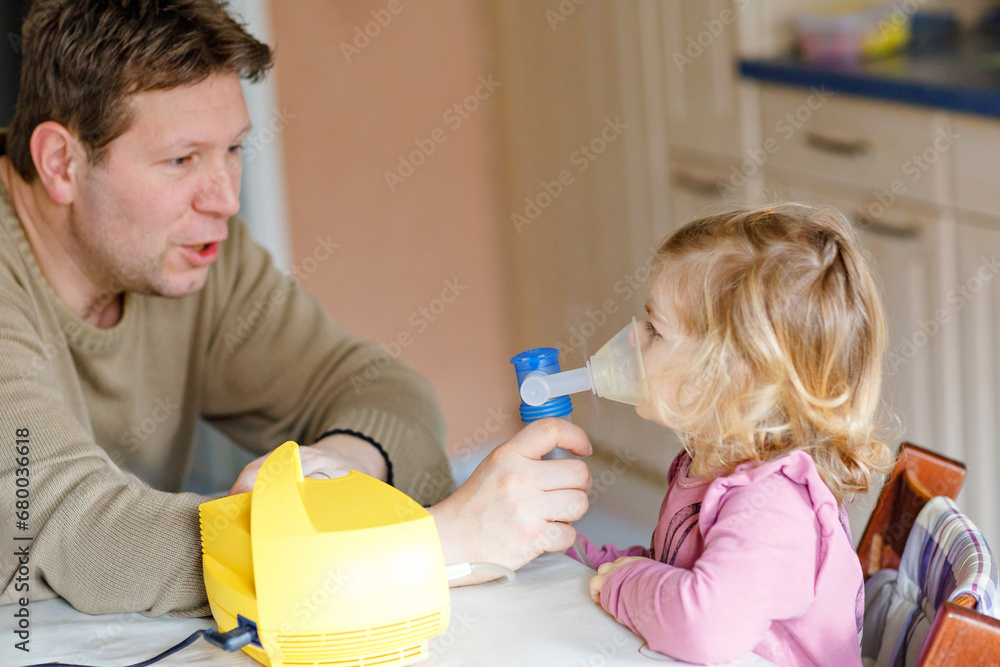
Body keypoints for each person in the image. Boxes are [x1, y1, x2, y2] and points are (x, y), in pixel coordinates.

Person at [0, 0, 591, 618]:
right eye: (182, 160)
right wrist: (420, 547)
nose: (225, 199)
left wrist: (339, 467)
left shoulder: (194, 257)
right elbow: (73, 533)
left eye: (232, 149)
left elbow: (386, 393)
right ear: (61, 163)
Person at [578, 204, 893, 665]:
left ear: (736, 376)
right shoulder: (708, 465)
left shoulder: (772, 505)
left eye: (655, 330)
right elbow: (674, 572)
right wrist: (581, 555)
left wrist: (622, 585)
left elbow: (704, 626)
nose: (632, 339)